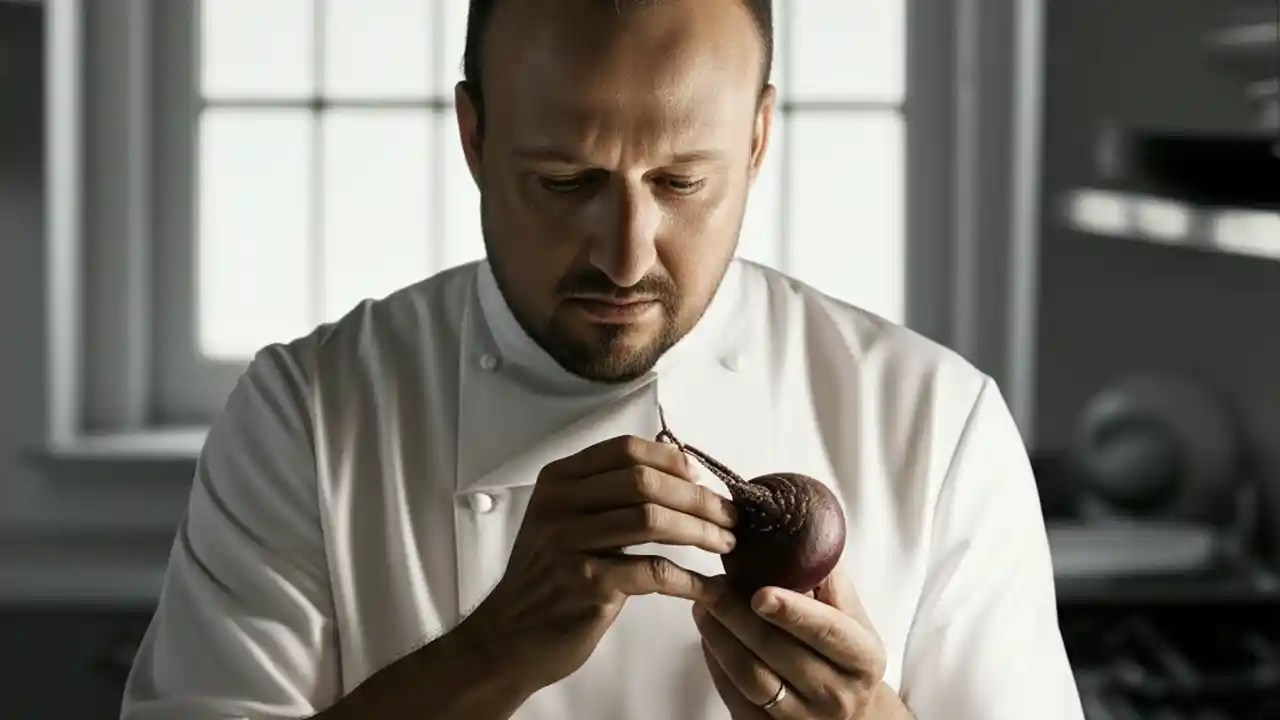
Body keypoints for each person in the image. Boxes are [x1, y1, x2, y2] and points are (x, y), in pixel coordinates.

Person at [121, 0, 1085, 718]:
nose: (624, 254)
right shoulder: (308, 414)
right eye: (564, 180)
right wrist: (492, 651)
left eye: (681, 180)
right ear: (473, 135)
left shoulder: (935, 421)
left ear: (756, 139)